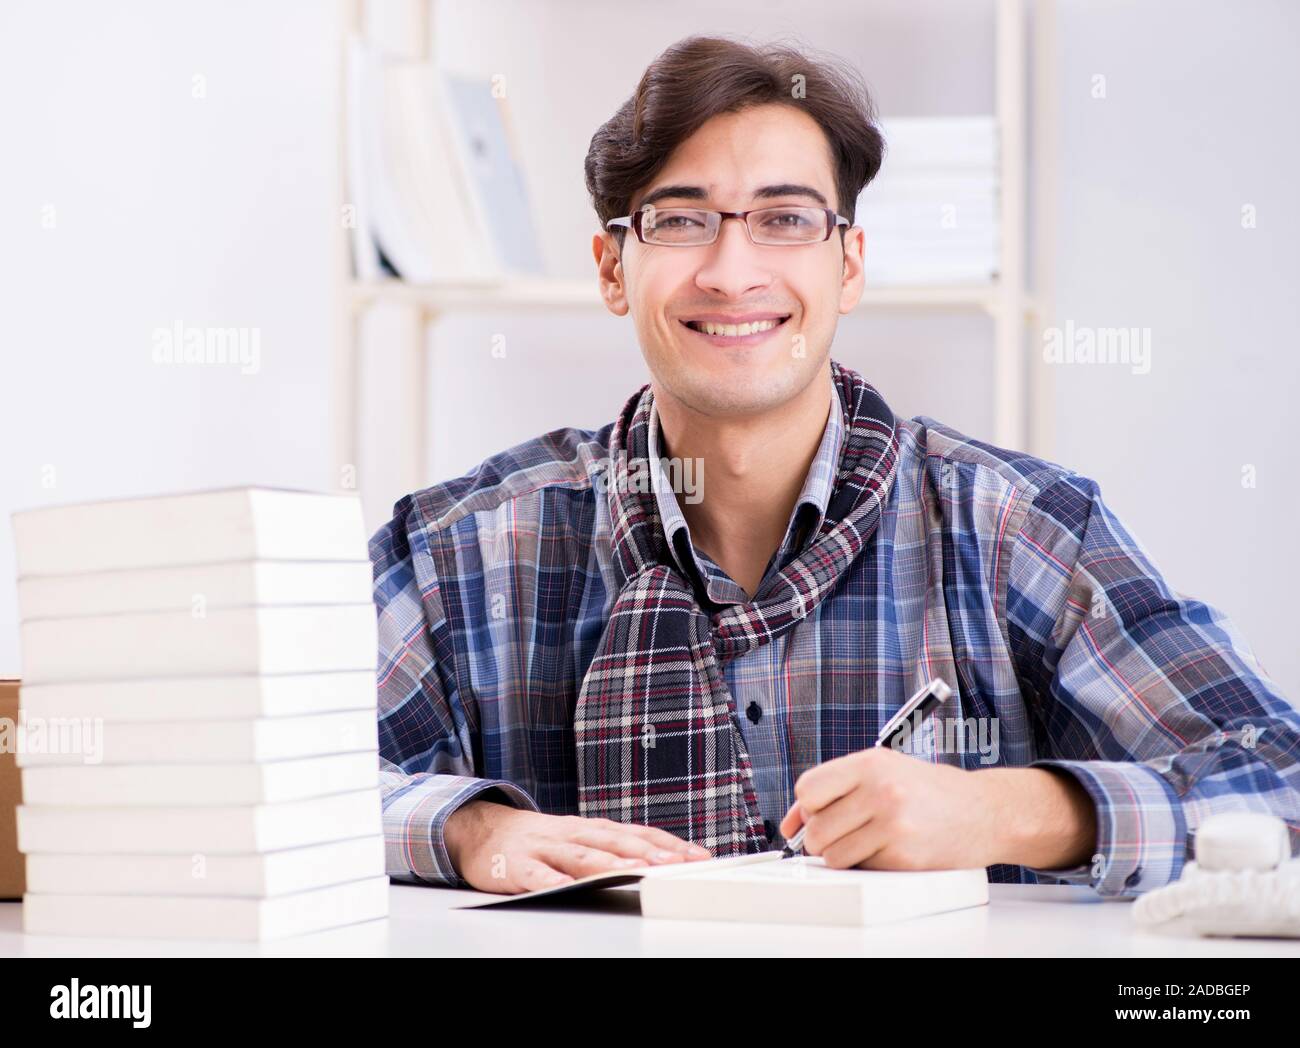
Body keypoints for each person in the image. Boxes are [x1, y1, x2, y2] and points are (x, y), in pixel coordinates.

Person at [369, 35, 1300, 896]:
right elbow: (264, 785)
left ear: (849, 265)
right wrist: (464, 830)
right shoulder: (462, 551)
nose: (733, 273)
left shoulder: (1015, 528)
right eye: (682, 221)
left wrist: (1005, 811)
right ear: (614, 269)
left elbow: (1279, 780)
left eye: (784, 219)